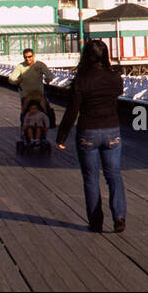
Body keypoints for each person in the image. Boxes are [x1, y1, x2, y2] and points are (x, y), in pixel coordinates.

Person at [56, 39, 126, 233]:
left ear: (86, 56)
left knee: (91, 178)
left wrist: (62, 136)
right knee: (114, 175)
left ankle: (95, 222)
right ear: (105, 55)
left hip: (88, 132)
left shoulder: (81, 80)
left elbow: (72, 111)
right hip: (112, 130)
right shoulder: (114, 78)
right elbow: (118, 92)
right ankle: (119, 216)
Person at [9, 48, 54, 120]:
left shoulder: (40, 65)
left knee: (46, 110)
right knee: (24, 112)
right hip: (26, 94)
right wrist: (17, 81)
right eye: (25, 57)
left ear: (33, 56)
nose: (27, 59)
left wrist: (48, 79)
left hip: (39, 93)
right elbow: (11, 79)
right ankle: (24, 124)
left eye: (29, 56)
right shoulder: (20, 66)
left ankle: (48, 123)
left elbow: (49, 75)